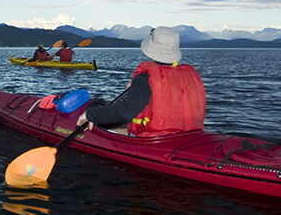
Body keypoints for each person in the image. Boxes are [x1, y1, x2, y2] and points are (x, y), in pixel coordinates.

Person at [76, 26, 205, 136]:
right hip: (185, 136)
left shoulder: (145, 79)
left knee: (112, 125)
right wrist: (135, 90)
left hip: (154, 139)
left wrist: (90, 115)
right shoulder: (187, 75)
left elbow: (124, 113)